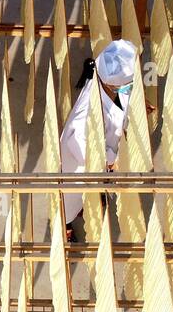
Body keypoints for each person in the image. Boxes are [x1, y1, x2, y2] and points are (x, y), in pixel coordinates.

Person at [58, 39, 137, 226]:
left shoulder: (110, 86)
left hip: (103, 160)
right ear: (111, 86)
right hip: (79, 167)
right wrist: (110, 159)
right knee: (70, 203)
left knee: (93, 190)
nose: (128, 89)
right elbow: (79, 145)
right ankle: (65, 227)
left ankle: (95, 195)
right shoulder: (85, 113)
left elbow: (123, 99)